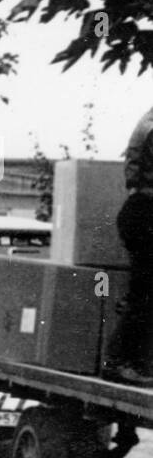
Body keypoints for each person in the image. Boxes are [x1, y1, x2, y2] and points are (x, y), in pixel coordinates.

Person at [104, 109, 153, 385]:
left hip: (141, 210)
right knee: (144, 294)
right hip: (146, 213)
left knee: (144, 293)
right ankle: (118, 362)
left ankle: (134, 363)